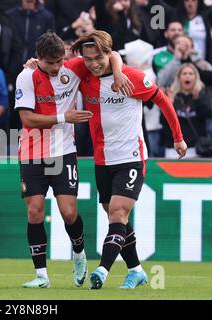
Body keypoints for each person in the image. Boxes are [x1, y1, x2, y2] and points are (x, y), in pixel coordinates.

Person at [71, 30, 187, 289]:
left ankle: (103, 269)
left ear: (108, 54)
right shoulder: (84, 72)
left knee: (118, 212)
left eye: (98, 57)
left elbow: (164, 102)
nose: (93, 63)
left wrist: (177, 137)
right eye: (88, 59)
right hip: (102, 159)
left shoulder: (133, 77)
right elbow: (56, 65)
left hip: (131, 157)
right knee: (116, 218)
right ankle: (136, 270)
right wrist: (35, 64)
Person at [15, 32, 131, 289]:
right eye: (50, 63)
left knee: (68, 212)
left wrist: (120, 72)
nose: (56, 68)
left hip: (64, 151)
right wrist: (63, 118)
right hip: (32, 153)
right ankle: (41, 275)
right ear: (39, 58)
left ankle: (79, 254)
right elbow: (27, 119)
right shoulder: (26, 76)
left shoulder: (74, 67)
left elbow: (111, 53)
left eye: (60, 61)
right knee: (35, 212)